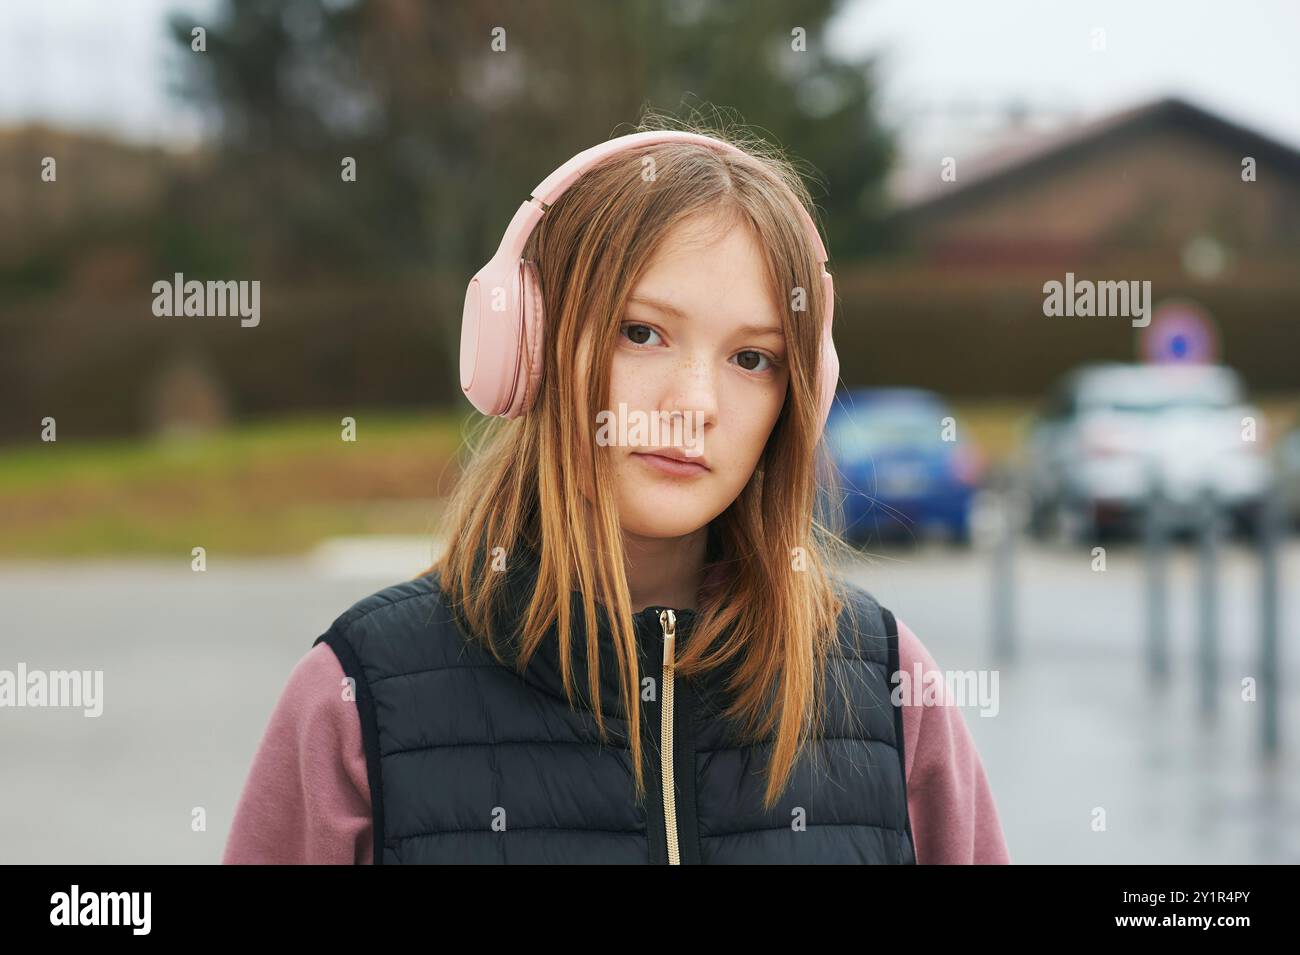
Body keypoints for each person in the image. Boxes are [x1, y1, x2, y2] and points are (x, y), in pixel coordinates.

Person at [223, 121, 1010, 865]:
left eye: (752, 358)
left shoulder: (890, 688)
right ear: (527, 345)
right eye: (642, 333)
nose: (695, 403)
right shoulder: (354, 697)